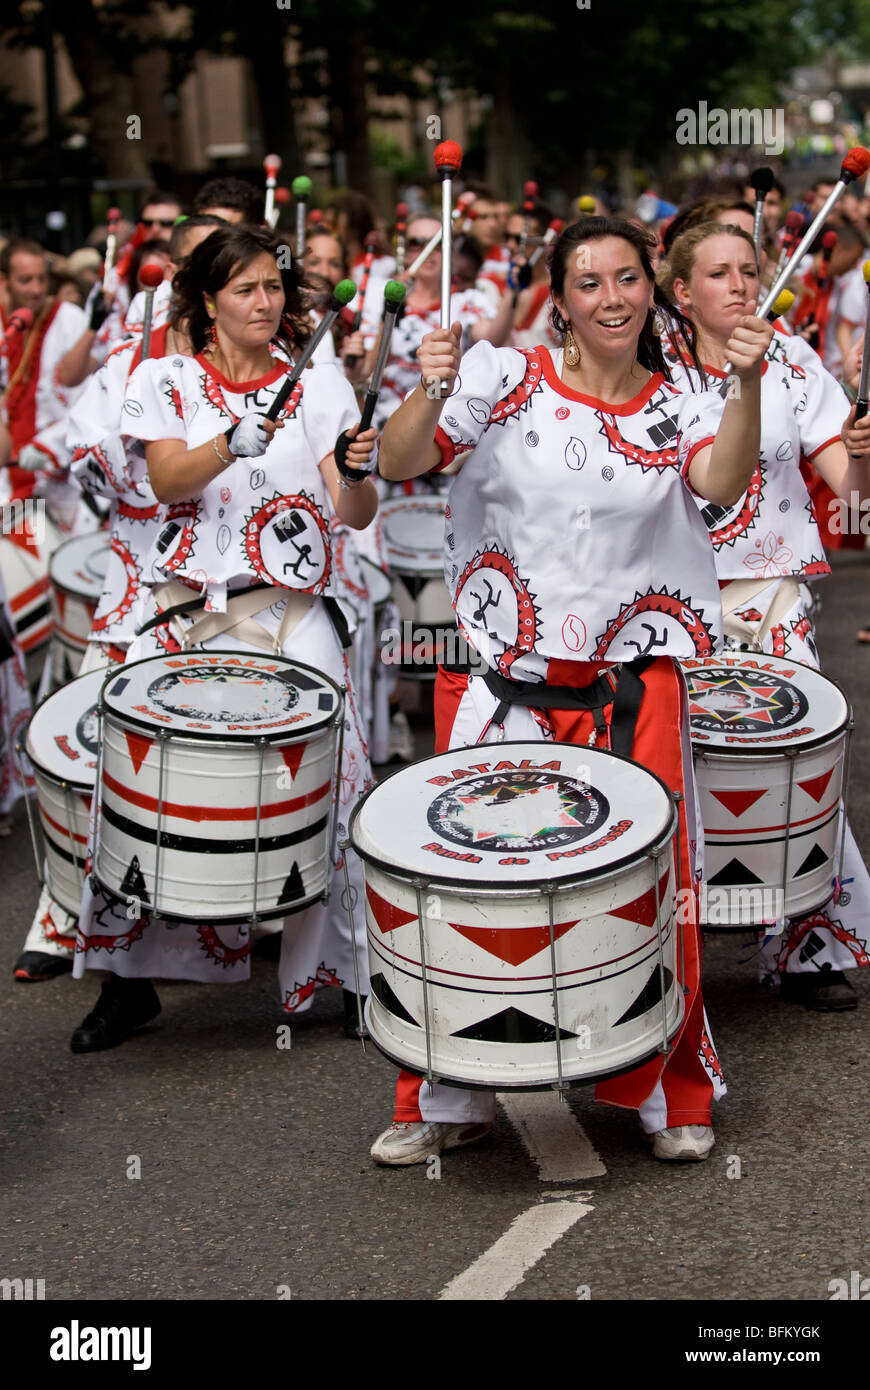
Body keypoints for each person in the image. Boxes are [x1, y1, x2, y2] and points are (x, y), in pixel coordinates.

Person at [369, 215, 773, 1165]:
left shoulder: (684, 402)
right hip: (502, 684)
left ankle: (662, 1090)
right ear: (561, 299)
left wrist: (747, 381)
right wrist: (430, 389)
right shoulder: (499, 379)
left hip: (636, 695)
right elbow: (396, 461)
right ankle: (448, 1086)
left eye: (628, 279)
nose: (612, 299)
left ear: (652, 290)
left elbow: (723, 480)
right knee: (461, 886)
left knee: (651, 889)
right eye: (589, 283)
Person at [68, 224, 379, 1052]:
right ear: (208, 302)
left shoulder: (319, 386)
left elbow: (355, 515)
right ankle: (128, 983)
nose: (265, 303)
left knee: (339, 777)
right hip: (184, 610)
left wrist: (353, 470)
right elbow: (166, 478)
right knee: (139, 789)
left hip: (289, 609)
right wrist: (225, 442)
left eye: (275, 288)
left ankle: (348, 976)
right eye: (245, 289)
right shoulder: (165, 378)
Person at [12, 215, 227, 984]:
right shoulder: (135, 336)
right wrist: (133, 460)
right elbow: (86, 435)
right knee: (102, 759)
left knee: (219, 767)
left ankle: (257, 926)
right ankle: (88, 937)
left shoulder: (261, 349)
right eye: (189, 256)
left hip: (236, 589)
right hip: (138, 576)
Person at [665, 220, 870, 1009]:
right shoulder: (649, 369)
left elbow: (851, 498)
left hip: (772, 596)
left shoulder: (792, 358)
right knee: (679, 777)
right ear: (682, 293)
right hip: (671, 606)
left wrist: (864, 451)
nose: (741, 285)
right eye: (719, 273)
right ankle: (664, 947)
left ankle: (808, 948)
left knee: (800, 771)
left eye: (750, 270)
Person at [0, 238, 91, 533]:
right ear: (4, 281)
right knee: (17, 565)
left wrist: (48, 445)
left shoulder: (70, 319)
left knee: (56, 562)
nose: (37, 289)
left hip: (56, 477)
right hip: (7, 479)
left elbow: (87, 402)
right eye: (26, 280)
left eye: (42, 279)